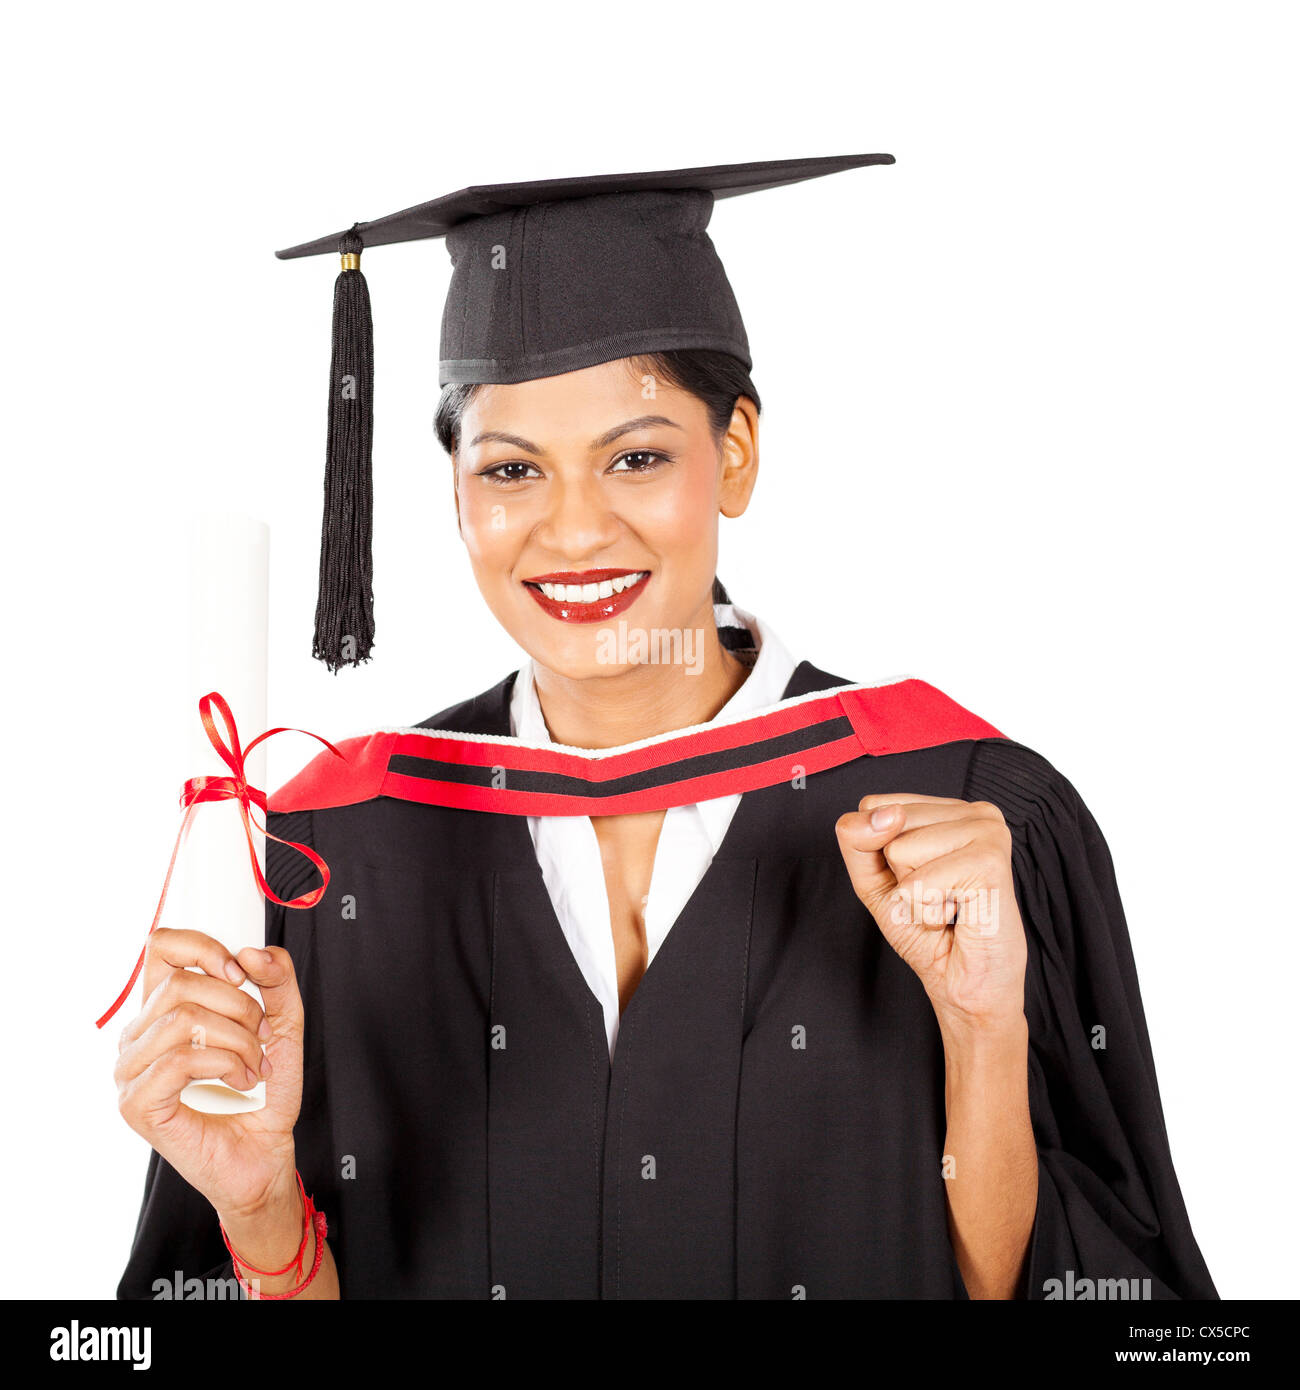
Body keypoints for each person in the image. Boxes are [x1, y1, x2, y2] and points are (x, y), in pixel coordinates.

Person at [113, 157, 1217, 1300]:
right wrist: (254, 1211)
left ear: (735, 450)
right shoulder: (330, 855)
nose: (573, 528)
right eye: (510, 469)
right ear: (454, 493)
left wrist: (984, 1032)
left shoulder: (976, 819)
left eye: (636, 456)